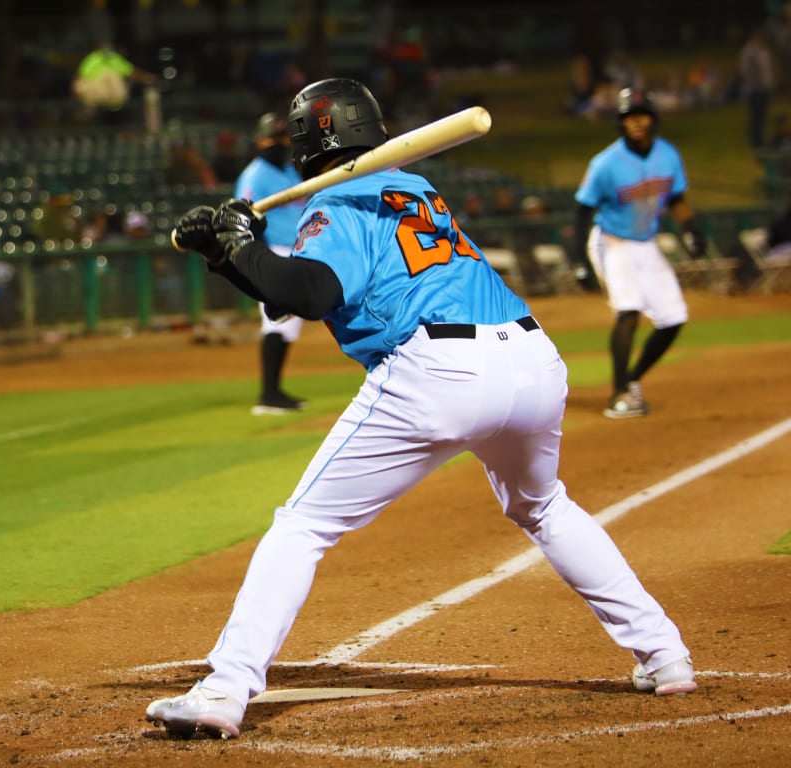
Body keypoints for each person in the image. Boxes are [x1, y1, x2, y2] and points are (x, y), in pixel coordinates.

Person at [145, 78, 695, 741]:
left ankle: (226, 688)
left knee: (302, 526)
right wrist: (230, 253)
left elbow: (313, 292)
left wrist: (239, 244)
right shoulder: (416, 189)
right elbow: (291, 288)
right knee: (544, 506)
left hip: (437, 371)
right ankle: (665, 655)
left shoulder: (334, 201)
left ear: (304, 143)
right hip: (530, 357)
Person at [574, 88, 703, 419]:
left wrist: (690, 228)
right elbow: (582, 210)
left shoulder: (668, 155)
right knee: (628, 311)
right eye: (630, 117)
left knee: (674, 318)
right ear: (621, 123)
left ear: (653, 119)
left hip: (646, 242)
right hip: (612, 241)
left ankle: (631, 380)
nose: (637, 123)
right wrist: (579, 260)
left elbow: (676, 197)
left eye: (642, 115)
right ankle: (618, 394)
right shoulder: (605, 163)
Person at [234, 112, 308, 414]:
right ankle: (268, 394)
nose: (276, 143)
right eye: (270, 138)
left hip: (299, 251)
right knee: (276, 322)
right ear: (258, 141)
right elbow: (244, 219)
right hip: (273, 252)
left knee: (289, 325)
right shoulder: (254, 175)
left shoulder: (291, 171)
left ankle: (274, 392)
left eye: (281, 137)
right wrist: (259, 260)